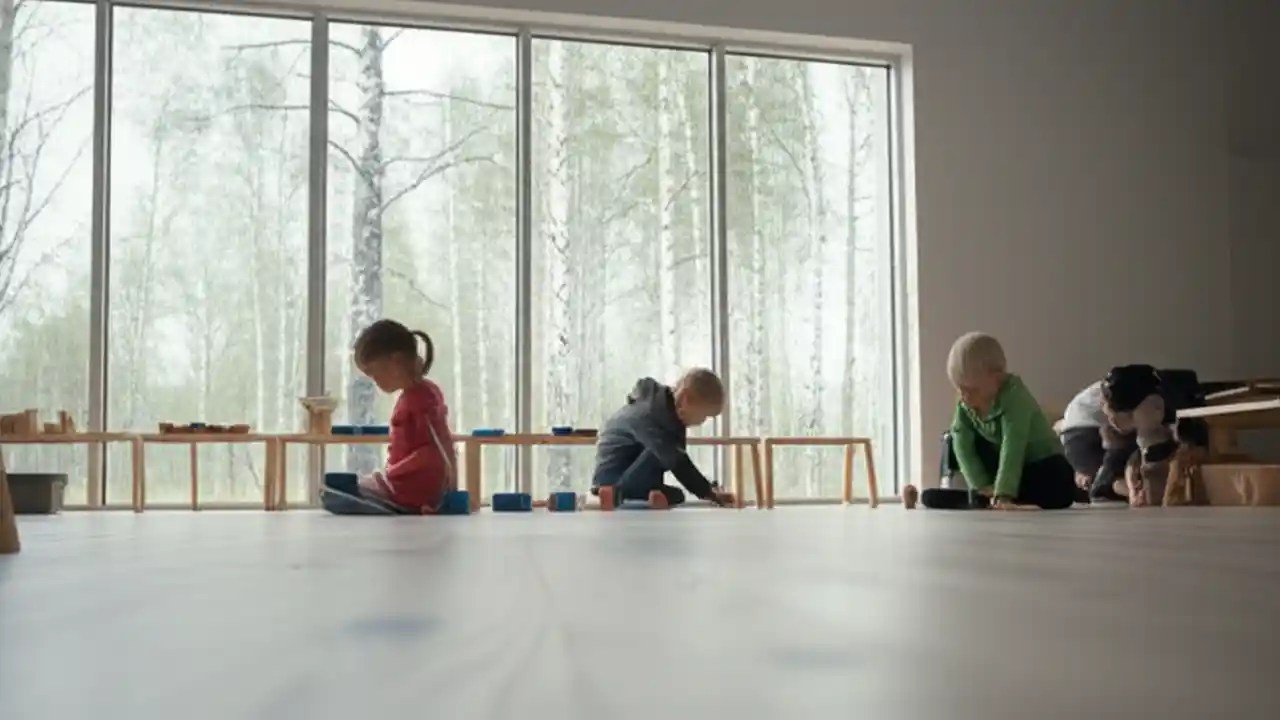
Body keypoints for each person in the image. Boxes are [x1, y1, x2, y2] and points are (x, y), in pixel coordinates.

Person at [921, 332, 1081, 510]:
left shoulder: (1015, 397)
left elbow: (1013, 445)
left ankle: (998, 497)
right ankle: (984, 497)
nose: (965, 397)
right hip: (1001, 469)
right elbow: (962, 445)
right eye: (960, 390)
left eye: (972, 390)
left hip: (1035, 463)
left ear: (997, 379)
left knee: (1060, 477)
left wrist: (1005, 492)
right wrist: (980, 486)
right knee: (954, 439)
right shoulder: (965, 403)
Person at [321, 319, 456, 515]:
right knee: (350, 487)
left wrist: (394, 473)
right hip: (402, 484)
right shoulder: (417, 395)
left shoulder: (420, 398)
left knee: (339, 492)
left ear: (396, 362)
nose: (374, 381)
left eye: (373, 373)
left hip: (409, 491)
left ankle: (391, 503)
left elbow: (436, 451)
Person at [591, 368, 735, 508]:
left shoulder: (666, 416)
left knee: (677, 495)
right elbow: (677, 460)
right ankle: (615, 493)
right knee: (662, 451)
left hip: (634, 476)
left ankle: (644, 497)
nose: (702, 422)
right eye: (703, 416)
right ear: (685, 399)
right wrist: (707, 491)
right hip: (612, 478)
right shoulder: (648, 415)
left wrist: (707, 490)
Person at [1059, 379, 1135, 502]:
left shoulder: (1115, 382)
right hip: (1084, 431)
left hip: (1073, 433)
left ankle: (1101, 482)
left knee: (1101, 477)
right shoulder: (1141, 388)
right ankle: (1124, 489)